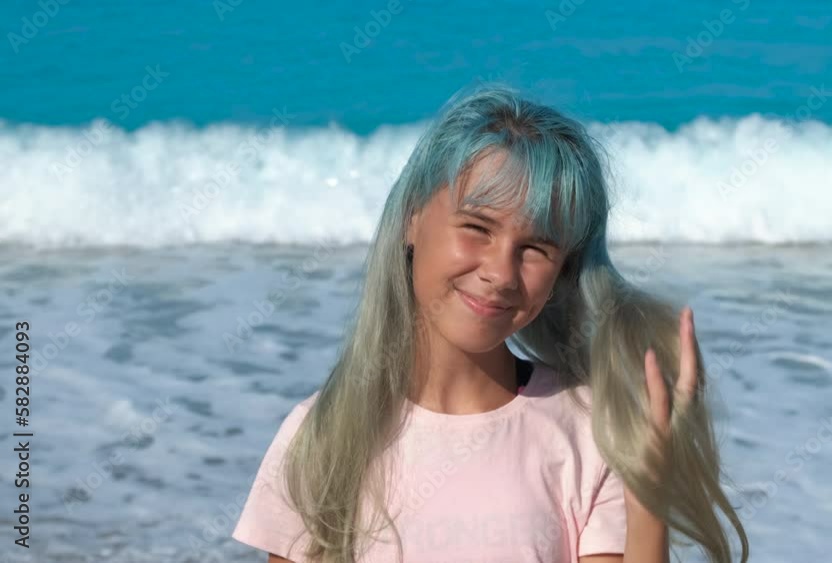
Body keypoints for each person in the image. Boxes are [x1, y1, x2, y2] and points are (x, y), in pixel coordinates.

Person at [231, 84, 749, 563]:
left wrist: (648, 489)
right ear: (412, 217)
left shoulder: (592, 428)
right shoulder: (322, 434)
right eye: (477, 227)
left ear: (563, 270)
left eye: (536, 248)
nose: (501, 273)